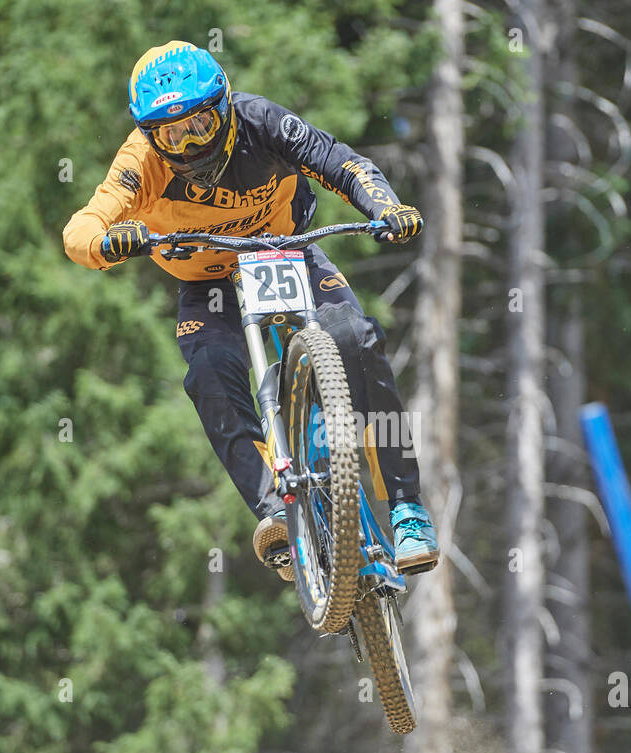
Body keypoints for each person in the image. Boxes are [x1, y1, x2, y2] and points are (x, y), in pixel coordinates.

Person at [63, 41, 439, 581]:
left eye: (200, 124)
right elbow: (80, 229)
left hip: (289, 251)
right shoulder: (139, 162)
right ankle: (275, 511)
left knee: (355, 338)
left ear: (226, 105)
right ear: (150, 135)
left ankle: (405, 506)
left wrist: (385, 206)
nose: (190, 144)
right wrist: (109, 242)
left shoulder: (262, 121)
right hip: (207, 286)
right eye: (172, 134)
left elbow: (341, 161)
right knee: (210, 373)